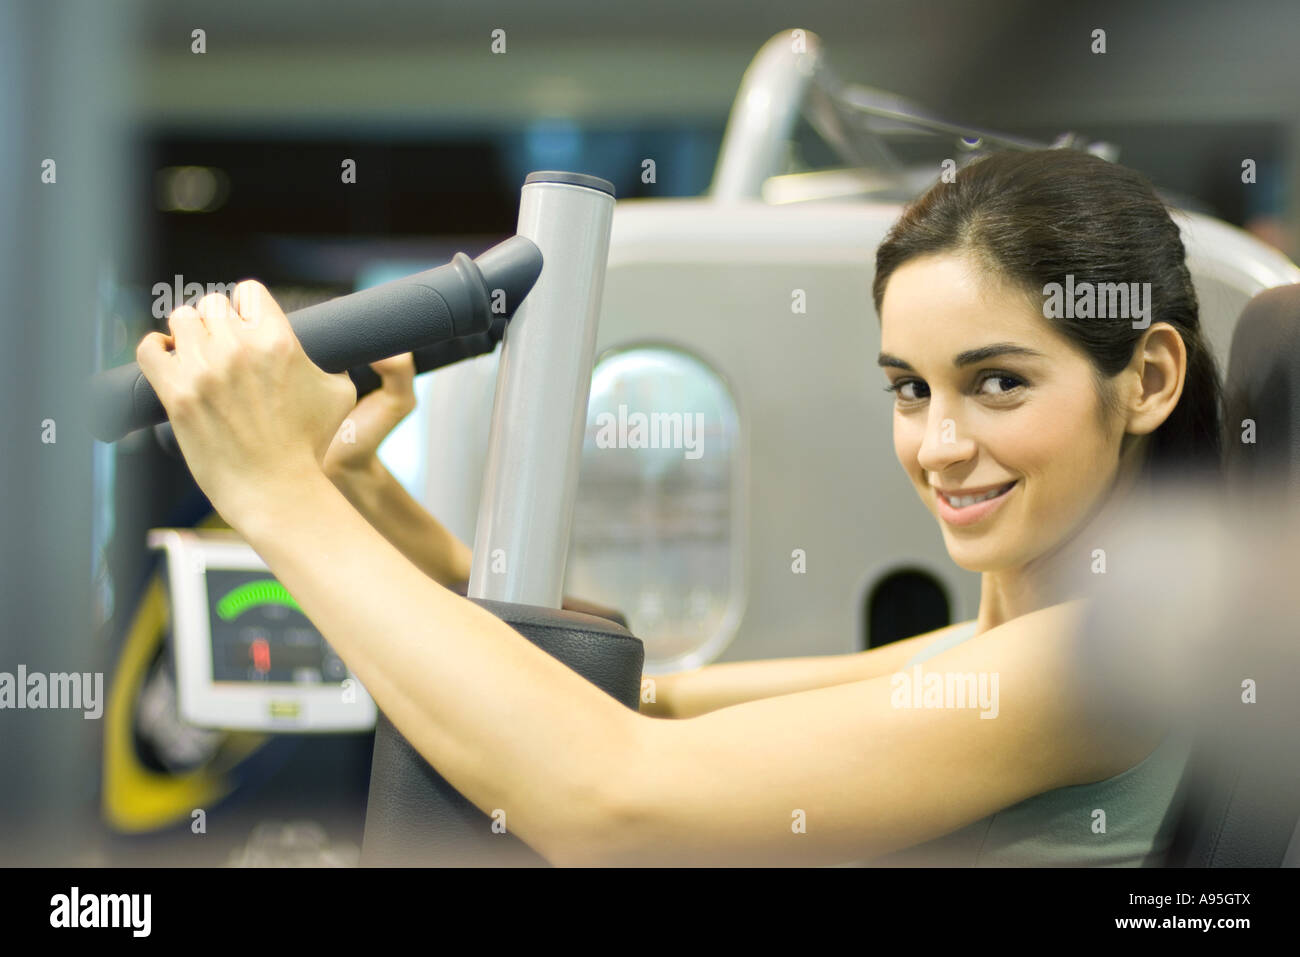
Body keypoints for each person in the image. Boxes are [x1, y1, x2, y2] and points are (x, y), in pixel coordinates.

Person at [135, 148, 1220, 867]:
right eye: (909, 388)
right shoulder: (994, 646)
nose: (938, 446)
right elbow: (643, 703)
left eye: (998, 383)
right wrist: (361, 498)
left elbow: (611, 798)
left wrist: (269, 489)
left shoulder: (1098, 658)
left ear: (1150, 380)